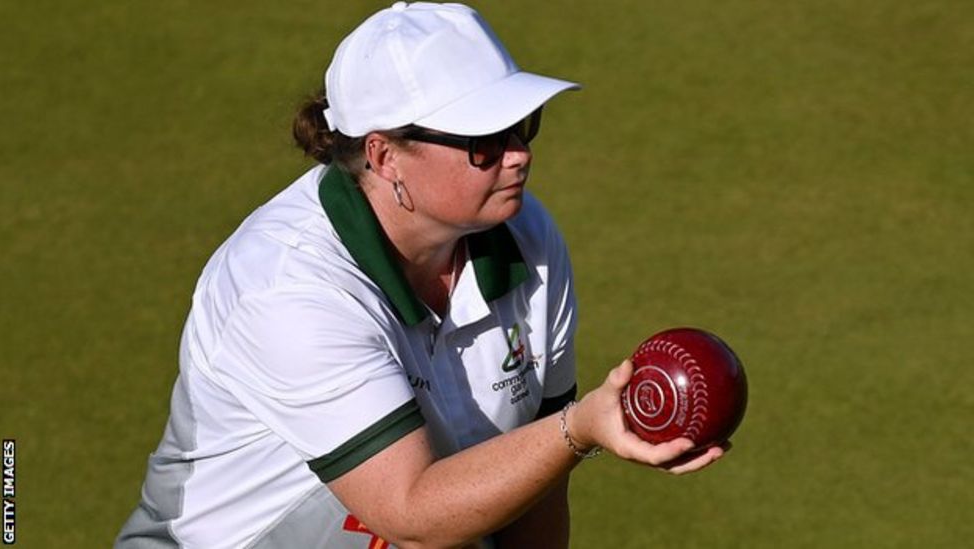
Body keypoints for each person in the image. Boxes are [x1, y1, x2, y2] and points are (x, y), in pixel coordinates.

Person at [115, 2, 725, 548]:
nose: (519, 153)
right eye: (483, 141)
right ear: (383, 156)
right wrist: (581, 428)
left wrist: (565, 436)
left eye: (523, 126)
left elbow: (534, 486)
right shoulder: (286, 289)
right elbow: (410, 516)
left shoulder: (529, 240)